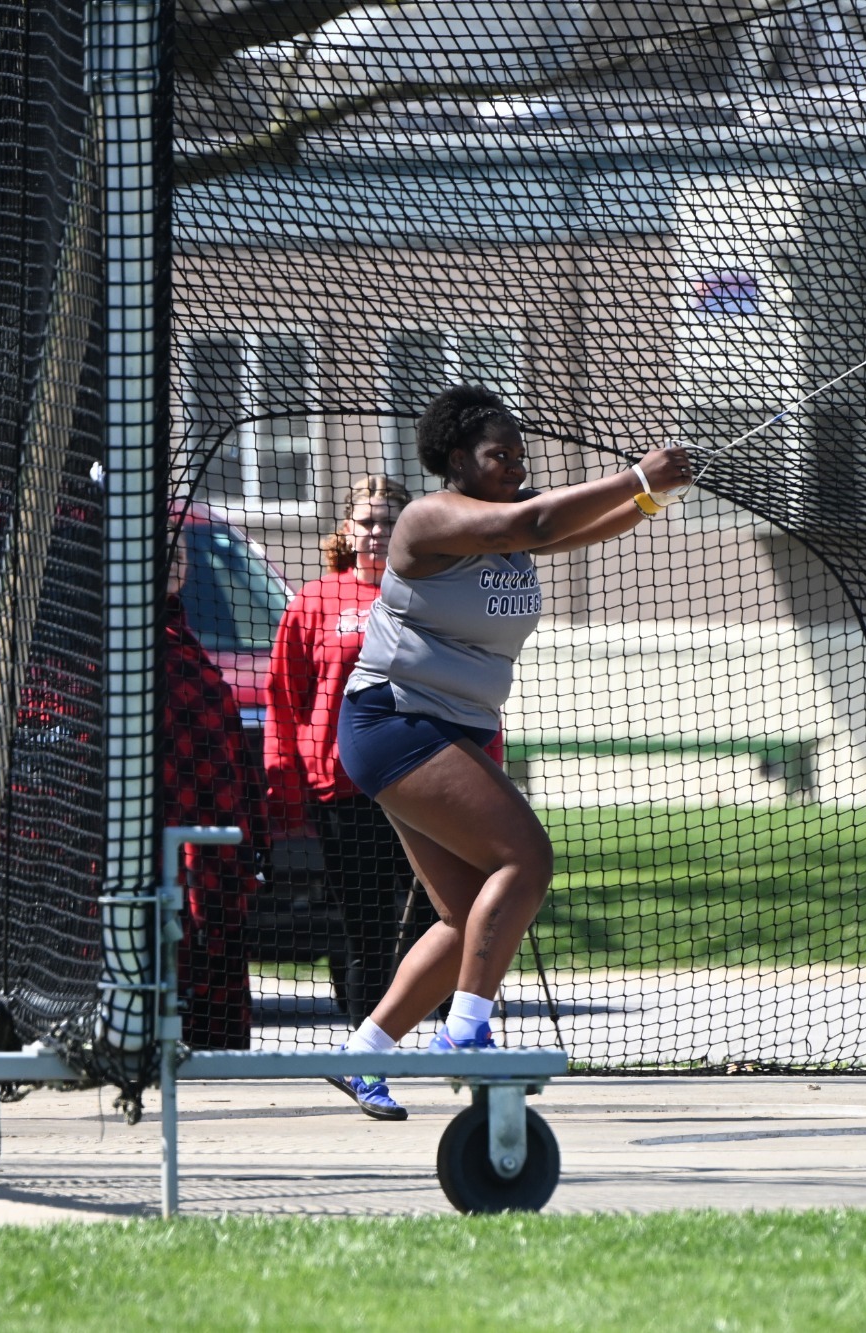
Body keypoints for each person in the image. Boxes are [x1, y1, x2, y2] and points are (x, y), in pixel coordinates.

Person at [322, 385, 691, 1118]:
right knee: (526, 860)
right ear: (456, 460)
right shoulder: (429, 519)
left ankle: (362, 1051)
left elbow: (566, 529)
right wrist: (639, 475)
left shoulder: (508, 525)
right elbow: (540, 517)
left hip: (439, 728)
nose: (515, 468)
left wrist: (654, 498)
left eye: (521, 457)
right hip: (394, 721)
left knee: (465, 918)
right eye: (500, 456)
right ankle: (464, 1034)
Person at [266, 475, 492, 1025]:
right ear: (346, 529)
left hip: (423, 782)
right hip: (345, 790)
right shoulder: (317, 600)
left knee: (435, 914)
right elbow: (284, 698)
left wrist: (485, 768)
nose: (376, 532)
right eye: (366, 521)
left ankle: (433, 1031)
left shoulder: (429, 592)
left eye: (388, 522)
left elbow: (467, 684)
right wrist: (286, 783)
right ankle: (365, 1043)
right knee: (362, 925)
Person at [163, 548, 265, 1050]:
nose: (170, 559)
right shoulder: (122, 645)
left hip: (212, 842)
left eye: (176, 550)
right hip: (159, 847)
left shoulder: (185, 641)